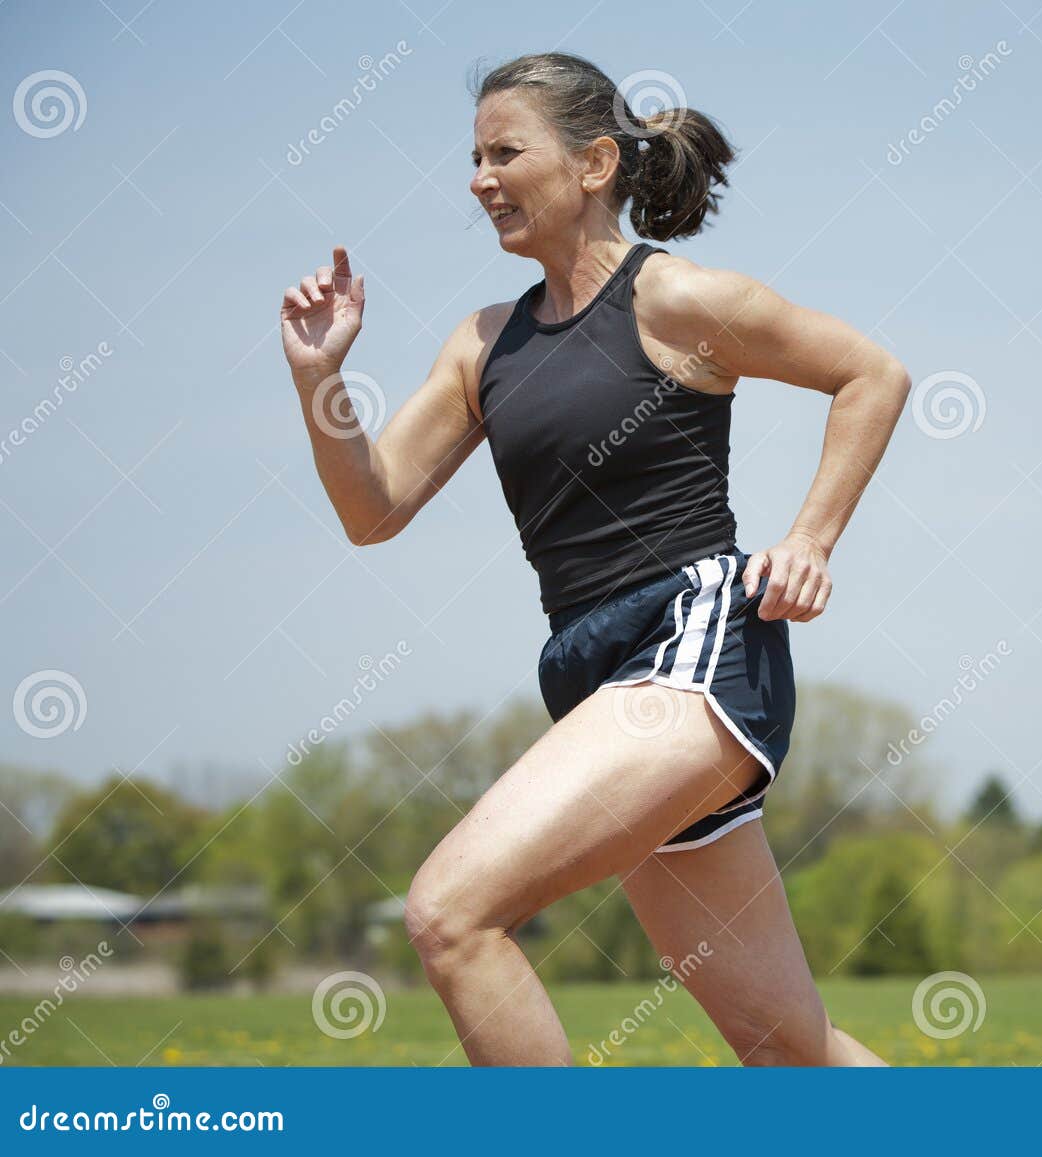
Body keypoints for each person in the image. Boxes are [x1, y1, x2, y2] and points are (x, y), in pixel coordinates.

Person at [278, 51, 909, 1066]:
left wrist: (810, 538)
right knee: (793, 1052)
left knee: (451, 912)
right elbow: (373, 506)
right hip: (591, 673)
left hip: (693, 649)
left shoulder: (675, 300)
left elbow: (870, 372)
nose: (480, 177)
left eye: (504, 152)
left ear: (593, 163)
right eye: (473, 157)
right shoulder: (482, 346)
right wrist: (321, 379)